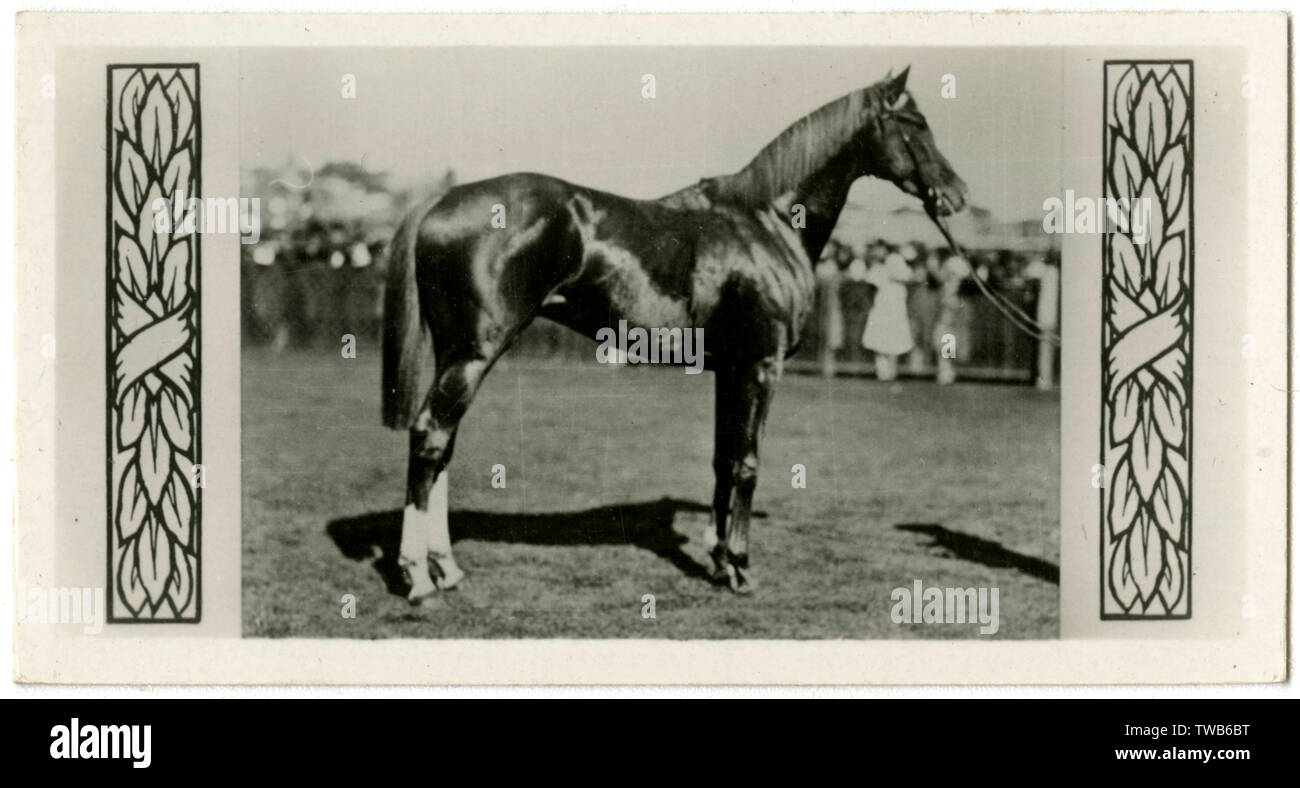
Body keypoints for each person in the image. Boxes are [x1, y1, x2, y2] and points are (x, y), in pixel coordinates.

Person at [862, 245, 915, 381]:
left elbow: (905, 276)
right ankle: (883, 371)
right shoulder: (879, 270)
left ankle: (890, 371)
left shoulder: (898, 274)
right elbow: (869, 280)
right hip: (883, 310)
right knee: (880, 341)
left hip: (895, 312)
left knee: (893, 341)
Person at [934, 251, 972, 385]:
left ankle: (948, 371)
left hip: (954, 309)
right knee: (946, 337)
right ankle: (946, 371)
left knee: (950, 336)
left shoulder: (957, 284)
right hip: (949, 310)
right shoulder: (947, 284)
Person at [815, 241, 846, 378]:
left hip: (832, 306)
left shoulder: (833, 267)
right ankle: (824, 365)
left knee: (831, 335)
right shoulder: (820, 267)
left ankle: (829, 366)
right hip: (821, 306)